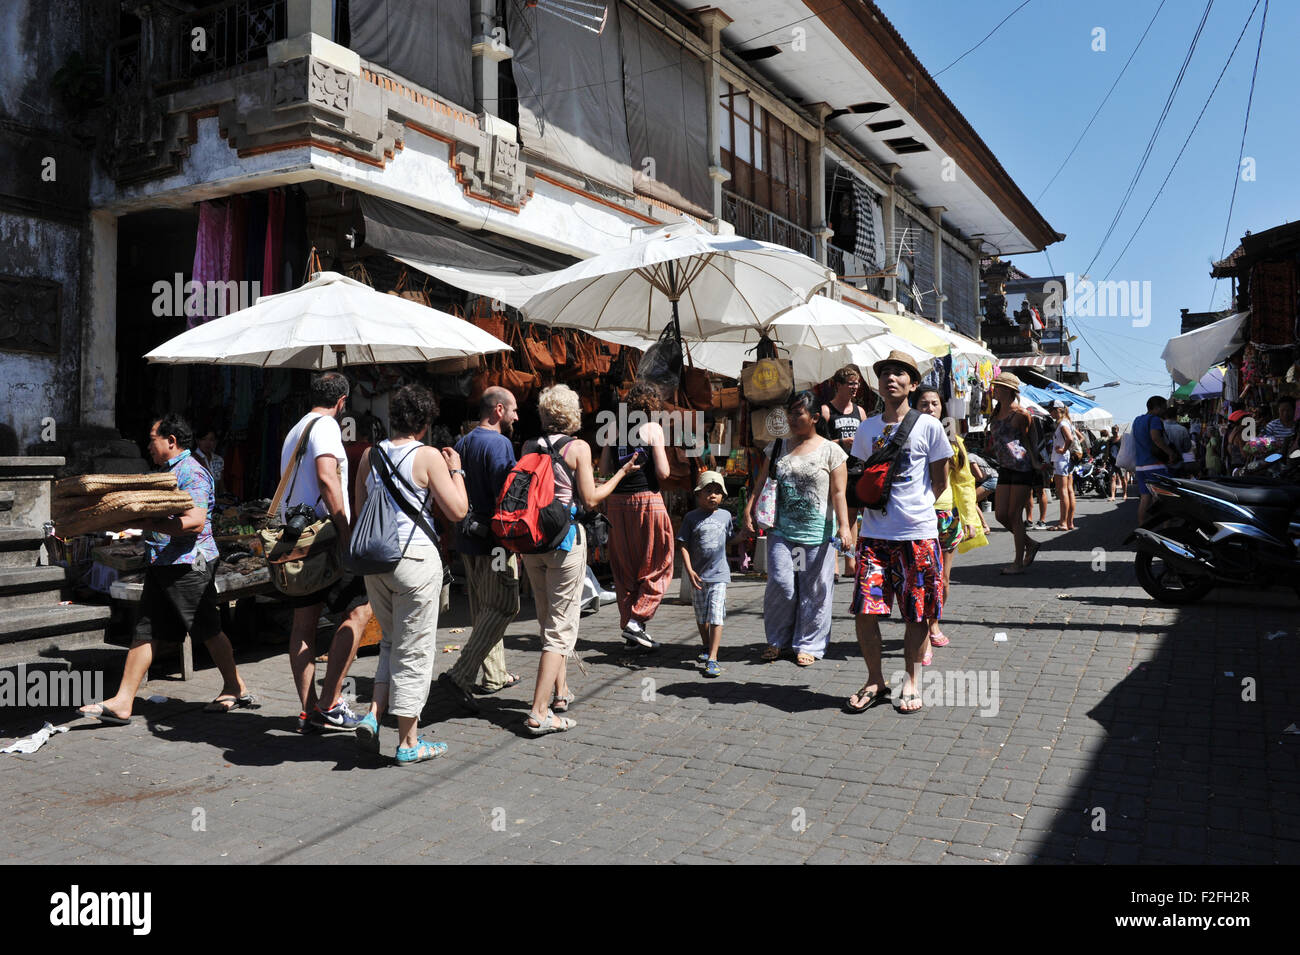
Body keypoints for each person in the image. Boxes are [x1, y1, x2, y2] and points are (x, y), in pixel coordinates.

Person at [78, 413, 257, 725]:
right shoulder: (167, 472)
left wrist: (151, 523)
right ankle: (123, 701)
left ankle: (234, 685)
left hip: (189, 565)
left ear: (171, 441)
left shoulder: (192, 473)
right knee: (146, 630)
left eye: (153, 438)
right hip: (163, 562)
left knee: (207, 629)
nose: (148, 445)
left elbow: (196, 521)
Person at [351, 385, 467, 764]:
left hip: (376, 563)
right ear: (425, 423)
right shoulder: (428, 455)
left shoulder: (371, 455)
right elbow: (457, 511)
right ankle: (408, 743)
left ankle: (372, 714)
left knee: (389, 642)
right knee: (414, 651)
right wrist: (456, 470)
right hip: (414, 561)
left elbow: (360, 509)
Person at [522, 385, 641, 734]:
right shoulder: (579, 448)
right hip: (565, 542)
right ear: (573, 413)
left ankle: (560, 693)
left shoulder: (529, 446)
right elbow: (590, 500)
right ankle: (539, 711)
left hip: (533, 543)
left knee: (547, 621)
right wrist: (621, 475)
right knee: (561, 630)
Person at [845, 352, 951, 715]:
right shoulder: (866, 428)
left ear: (913, 383)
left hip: (917, 535)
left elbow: (940, 482)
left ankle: (910, 679)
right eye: (885, 373)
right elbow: (858, 482)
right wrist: (850, 527)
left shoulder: (930, 427)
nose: (891, 378)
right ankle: (875, 679)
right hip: (874, 537)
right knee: (864, 609)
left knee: (917, 612)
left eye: (899, 373)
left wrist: (914, 511)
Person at [279, 372, 373, 732]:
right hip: (325, 537)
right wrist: (345, 528)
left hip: (299, 538)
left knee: (304, 623)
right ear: (342, 401)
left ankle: (309, 712)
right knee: (359, 612)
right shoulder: (327, 427)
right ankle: (330, 701)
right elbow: (326, 476)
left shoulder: (297, 428)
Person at [742, 391, 850, 667]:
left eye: (797, 413)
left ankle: (809, 643)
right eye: (789, 412)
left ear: (814, 418)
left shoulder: (831, 451)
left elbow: (839, 493)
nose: (791, 418)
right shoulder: (777, 447)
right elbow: (762, 481)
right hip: (782, 532)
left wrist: (845, 528)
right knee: (782, 585)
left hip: (817, 535)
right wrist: (749, 508)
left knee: (814, 589)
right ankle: (778, 640)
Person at [438, 387, 522, 714]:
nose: (517, 416)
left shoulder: (463, 442)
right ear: (498, 410)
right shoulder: (499, 444)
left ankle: (494, 674)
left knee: (483, 609)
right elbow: (509, 496)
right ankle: (461, 673)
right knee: (504, 606)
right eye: (513, 410)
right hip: (495, 541)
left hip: (468, 539)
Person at [915, 388, 986, 667]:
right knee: (922, 580)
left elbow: (965, 482)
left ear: (942, 409)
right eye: (924, 404)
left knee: (942, 580)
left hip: (947, 517)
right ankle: (921, 637)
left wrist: (970, 519)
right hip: (919, 518)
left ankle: (934, 625)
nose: (930, 408)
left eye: (935, 404)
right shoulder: (908, 437)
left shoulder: (954, 441)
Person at [600, 382, 672, 650]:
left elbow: (606, 467)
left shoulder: (612, 427)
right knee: (658, 562)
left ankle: (632, 627)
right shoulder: (653, 428)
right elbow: (663, 473)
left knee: (625, 567)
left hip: (617, 505)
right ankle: (637, 620)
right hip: (647, 501)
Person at [677, 470, 739, 678]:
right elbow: (683, 545)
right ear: (698, 494)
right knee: (701, 615)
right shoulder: (690, 518)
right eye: (708, 491)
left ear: (722, 496)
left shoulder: (726, 516)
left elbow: (730, 539)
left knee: (716, 614)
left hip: (720, 574)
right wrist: (689, 570)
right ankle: (705, 645)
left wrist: (746, 535)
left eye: (717, 492)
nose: (713, 495)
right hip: (698, 576)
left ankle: (713, 657)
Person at [987, 373, 1041, 574]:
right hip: (1004, 467)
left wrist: (1036, 463)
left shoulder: (1021, 414)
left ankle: (1017, 563)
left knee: (1014, 515)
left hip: (1021, 466)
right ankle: (1030, 544)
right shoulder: (995, 413)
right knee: (1001, 515)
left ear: (1009, 390)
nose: (994, 390)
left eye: (998, 387)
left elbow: (1029, 441)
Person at [820, 366, 868, 575]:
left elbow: (867, 441)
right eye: (850, 383)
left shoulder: (861, 411)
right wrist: (840, 441)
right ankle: (835, 565)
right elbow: (819, 443)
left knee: (851, 518)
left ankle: (850, 563)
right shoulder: (826, 410)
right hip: (834, 469)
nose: (854, 387)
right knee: (833, 516)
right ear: (838, 385)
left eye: (856, 383)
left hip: (856, 470)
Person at [1132, 396, 1176, 524]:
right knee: (1163, 498)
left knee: (1145, 497)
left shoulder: (1137, 420)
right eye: (1164, 407)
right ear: (1157, 408)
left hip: (1140, 466)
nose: (1165, 410)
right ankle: (1165, 530)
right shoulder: (1155, 419)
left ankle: (1142, 527)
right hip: (1154, 465)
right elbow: (1156, 438)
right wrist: (1170, 452)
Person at [1048, 402, 1078, 531]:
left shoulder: (1062, 423)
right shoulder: (1067, 422)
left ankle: (1063, 523)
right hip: (1065, 460)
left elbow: (1069, 439)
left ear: (1059, 410)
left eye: (1052, 410)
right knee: (1069, 491)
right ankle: (1069, 522)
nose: (1050, 412)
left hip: (1061, 460)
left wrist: (1063, 450)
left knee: (1063, 491)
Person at [193, 429, 225, 496]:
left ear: (216, 442)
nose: (207, 443)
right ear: (197, 441)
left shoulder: (218, 460)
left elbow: (221, 485)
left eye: (211, 440)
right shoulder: (191, 460)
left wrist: (224, 496)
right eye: (204, 439)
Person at [1162, 408, 1193, 476]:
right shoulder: (1182, 429)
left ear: (1165, 416)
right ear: (1176, 416)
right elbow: (1187, 448)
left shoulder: (1159, 428)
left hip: (1162, 466)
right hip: (1177, 465)